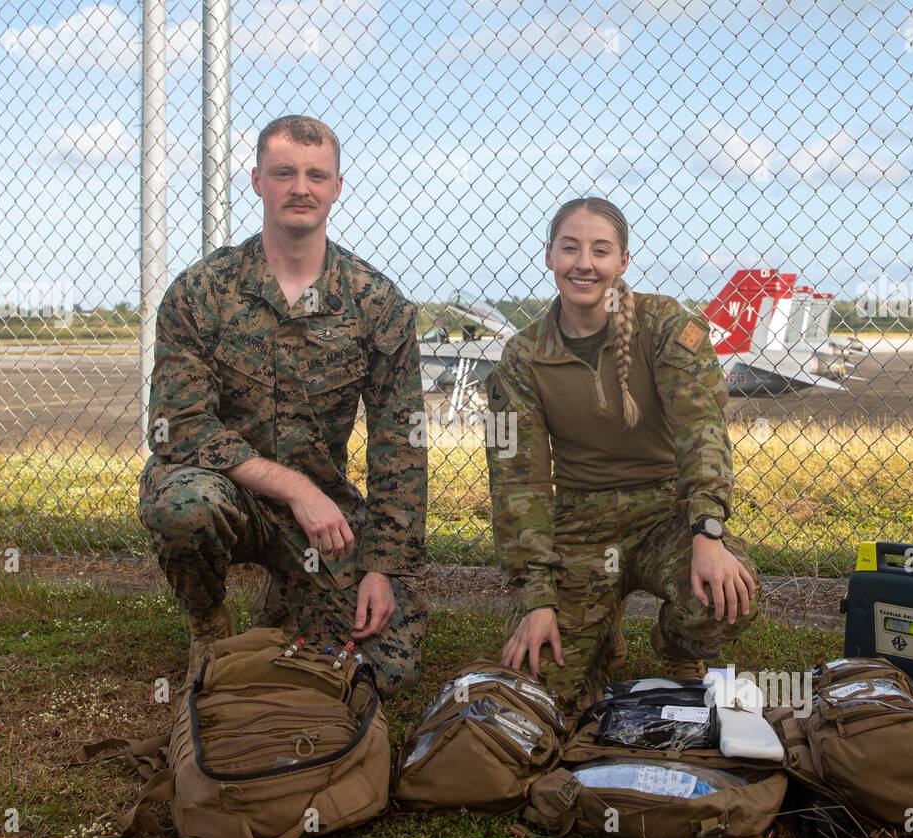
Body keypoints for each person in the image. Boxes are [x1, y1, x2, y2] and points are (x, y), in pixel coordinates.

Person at [138, 115, 428, 696]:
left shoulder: (375, 302)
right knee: (184, 503)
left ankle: (290, 593)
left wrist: (383, 567)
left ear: (337, 187)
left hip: (325, 522)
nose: (301, 187)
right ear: (257, 181)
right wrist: (297, 490)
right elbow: (179, 428)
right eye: (284, 173)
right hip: (230, 491)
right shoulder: (202, 291)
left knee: (388, 670)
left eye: (316, 175)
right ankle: (209, 627)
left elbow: (401, 446)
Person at [485, 197, 762, 716]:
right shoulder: (523, 357)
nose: (583, 263)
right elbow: (517, 483)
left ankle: (677, 649)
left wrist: (707, 531)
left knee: (724, 596)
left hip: (665, 515)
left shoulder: (665, 327)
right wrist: (538, 597)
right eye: (570, 248)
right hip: (582, 522)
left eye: (600, 250)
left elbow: (702, 431)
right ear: (549, 256)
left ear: (623, 262)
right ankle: (597, 623)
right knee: (542, 688)